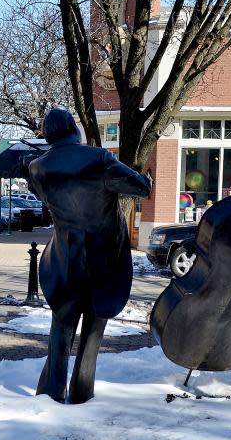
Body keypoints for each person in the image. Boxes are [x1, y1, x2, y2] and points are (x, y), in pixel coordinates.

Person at [24, 108, 152, 404]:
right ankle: (82, 391)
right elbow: (141, 188)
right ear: (73, 128)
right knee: (93, 329)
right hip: (102, 261)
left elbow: (40, 190)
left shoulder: (38, 168)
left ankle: (51, 393)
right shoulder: (99, 158)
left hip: (64, 260)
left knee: (61, 327)